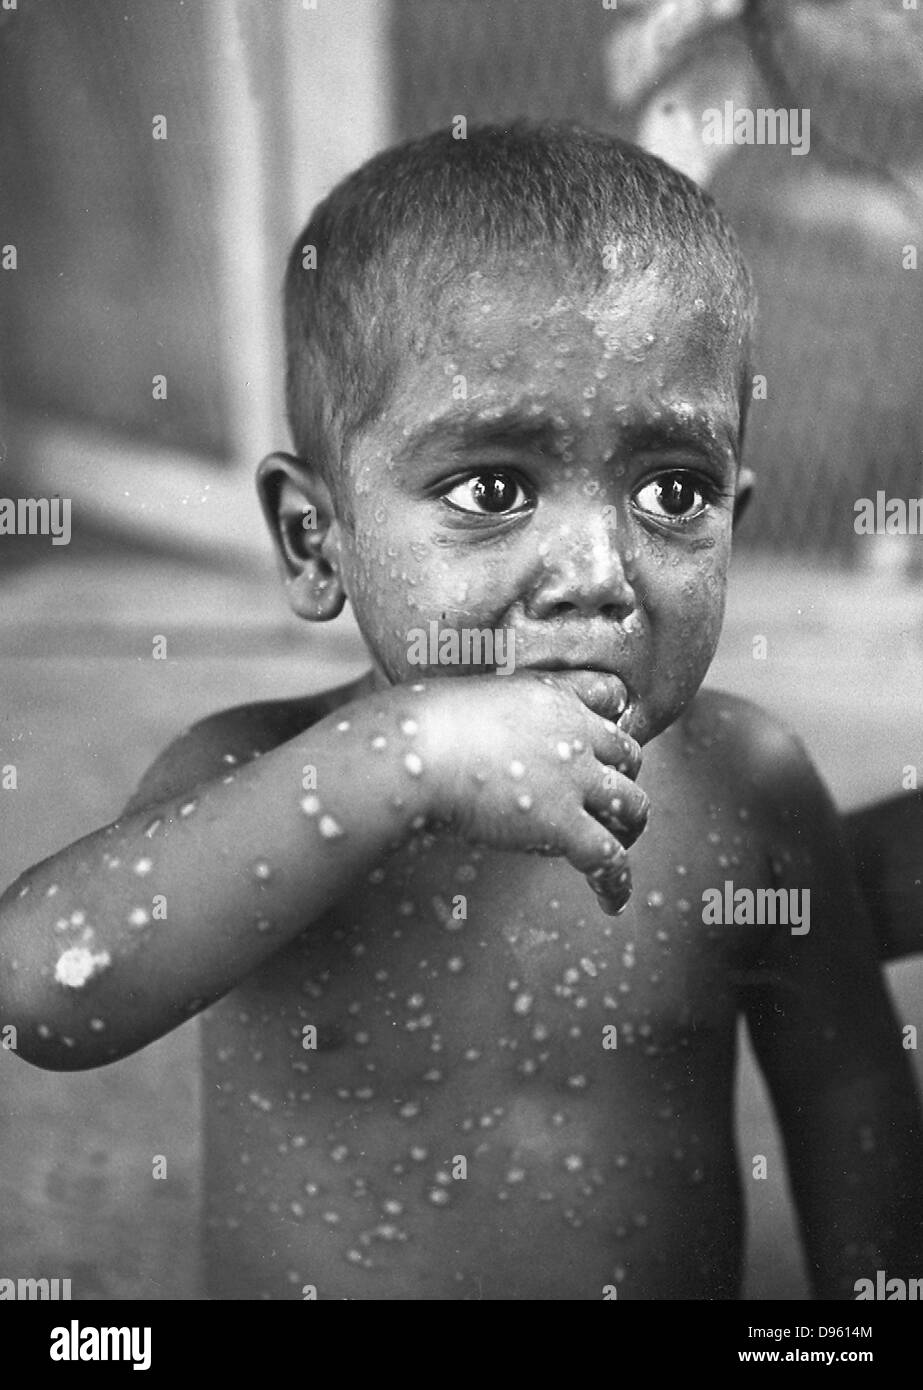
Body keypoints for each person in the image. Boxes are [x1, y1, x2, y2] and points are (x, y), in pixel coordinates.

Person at [1, 122, 920, 1300]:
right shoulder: (255, 774)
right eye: (491, 488)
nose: (596, 567)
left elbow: (851, 1100)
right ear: (312, 537)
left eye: (670, 490)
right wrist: (398, 758)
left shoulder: (748, 788)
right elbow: (43, 995)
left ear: (731, 516)